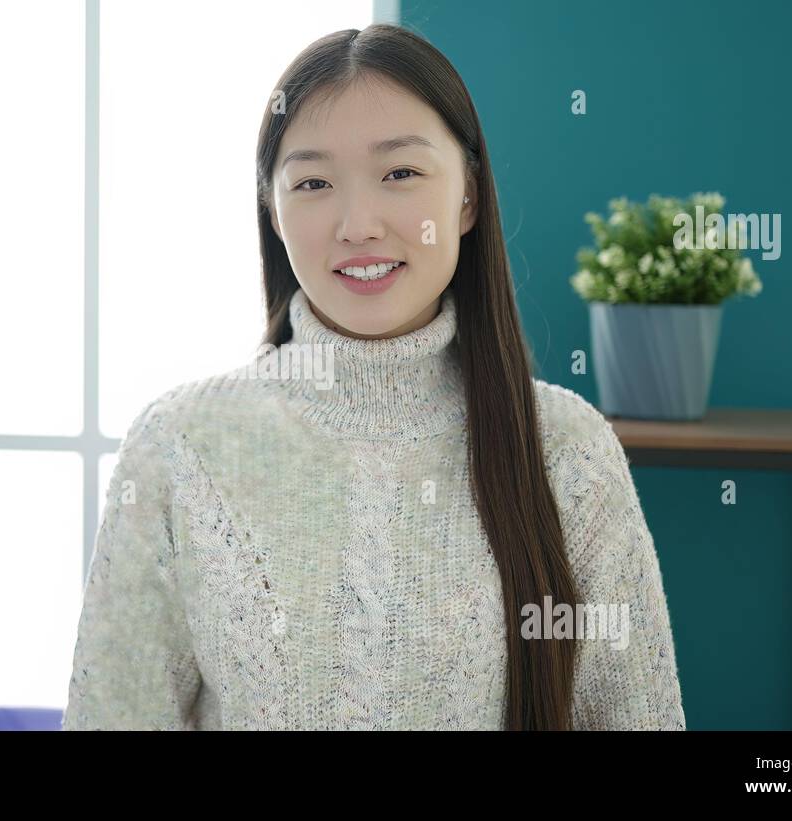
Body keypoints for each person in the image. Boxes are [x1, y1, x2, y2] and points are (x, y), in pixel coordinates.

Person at [64, 22, 685, 731]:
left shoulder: (569, 452)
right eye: (313, 182)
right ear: (272, 209)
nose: (358, 223)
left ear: (469, 198)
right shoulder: (180, 446)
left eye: (400, 174)